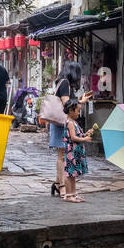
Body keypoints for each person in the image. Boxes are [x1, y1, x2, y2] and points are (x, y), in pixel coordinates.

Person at [48, 64, 91, 197]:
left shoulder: (63, 83)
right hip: (61, 124)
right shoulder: (65, 83)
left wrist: (80, 100)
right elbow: (68, 105)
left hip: (61, 123)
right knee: (62, 156)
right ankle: (62, 187)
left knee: (62, 154)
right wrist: (80, 101)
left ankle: (57, 183)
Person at [62, 99, 96, 202]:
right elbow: (73, 138)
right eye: (77, 110)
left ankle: (73, 194)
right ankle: (68, 195)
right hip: (71, 151)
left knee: (73, 174)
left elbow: (78, 135)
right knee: (69, 174)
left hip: (75, 151)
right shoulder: (70, 123)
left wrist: (85, 134)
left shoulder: (73, 122)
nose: (79, 113)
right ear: (71, 111)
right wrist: (84, 139)